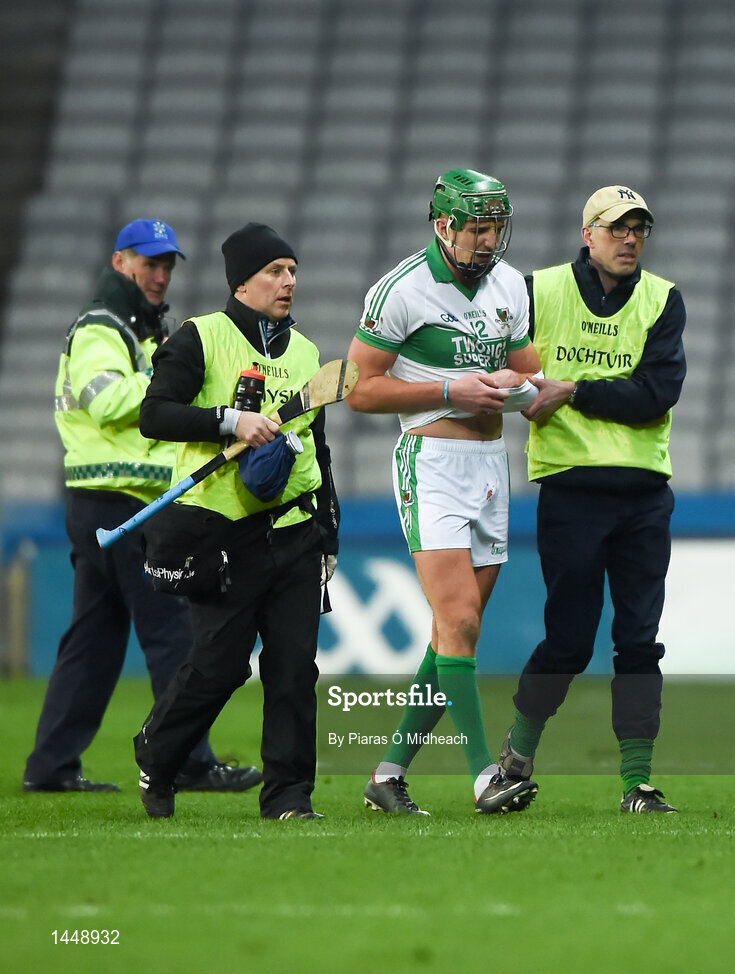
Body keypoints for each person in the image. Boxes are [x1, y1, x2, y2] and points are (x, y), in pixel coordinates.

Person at [24, 219, 262, 795]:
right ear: (119, 263)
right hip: (126, 504)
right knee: (174, 634)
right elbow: (107, 401)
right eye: (148, 263)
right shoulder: (103, 327)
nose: (159, 275)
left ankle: (51, 767)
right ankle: (188, 761)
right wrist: (173, 391)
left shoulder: (140, 329)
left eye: (166, 265)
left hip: (103, 503)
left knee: (93, 643)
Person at [346, 168, 541, 815]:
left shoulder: (509, 283)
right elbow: (359, 388)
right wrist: (447, 389)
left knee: (454, 632)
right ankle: (485, 775)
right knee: (457, 621)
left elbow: (528, 374)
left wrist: (529, 392)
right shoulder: (401, 290)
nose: (488, 242)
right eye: (477, 228)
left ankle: (386, 773)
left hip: (490, 465)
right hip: (430, 461)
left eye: (495, 228)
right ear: (443, 226)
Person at [132, 222, 340, 820]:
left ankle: (289, 796)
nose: (288, 282)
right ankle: (159, 752)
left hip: (295, 531)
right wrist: (230, 421)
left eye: (292, 271)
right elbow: (155, 415)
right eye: (275, 272)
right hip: (219, 533)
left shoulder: (305, 354)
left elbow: (317, 451)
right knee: (219, 667)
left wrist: (329, 532)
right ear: (241, 283)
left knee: (295, 668)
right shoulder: (202, 338)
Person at [498, 185, 686, 814]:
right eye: (617, 228)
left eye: (639, 229)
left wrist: (572, 389)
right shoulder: (534, 291)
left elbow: (656, 393)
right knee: (570, 642)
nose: (630, 238)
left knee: (638, 640)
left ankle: (637, 784)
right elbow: (505, 368)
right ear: (588, 233)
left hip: (642, 495)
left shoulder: (663, 299)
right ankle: (517, 758)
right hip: (571, 490)